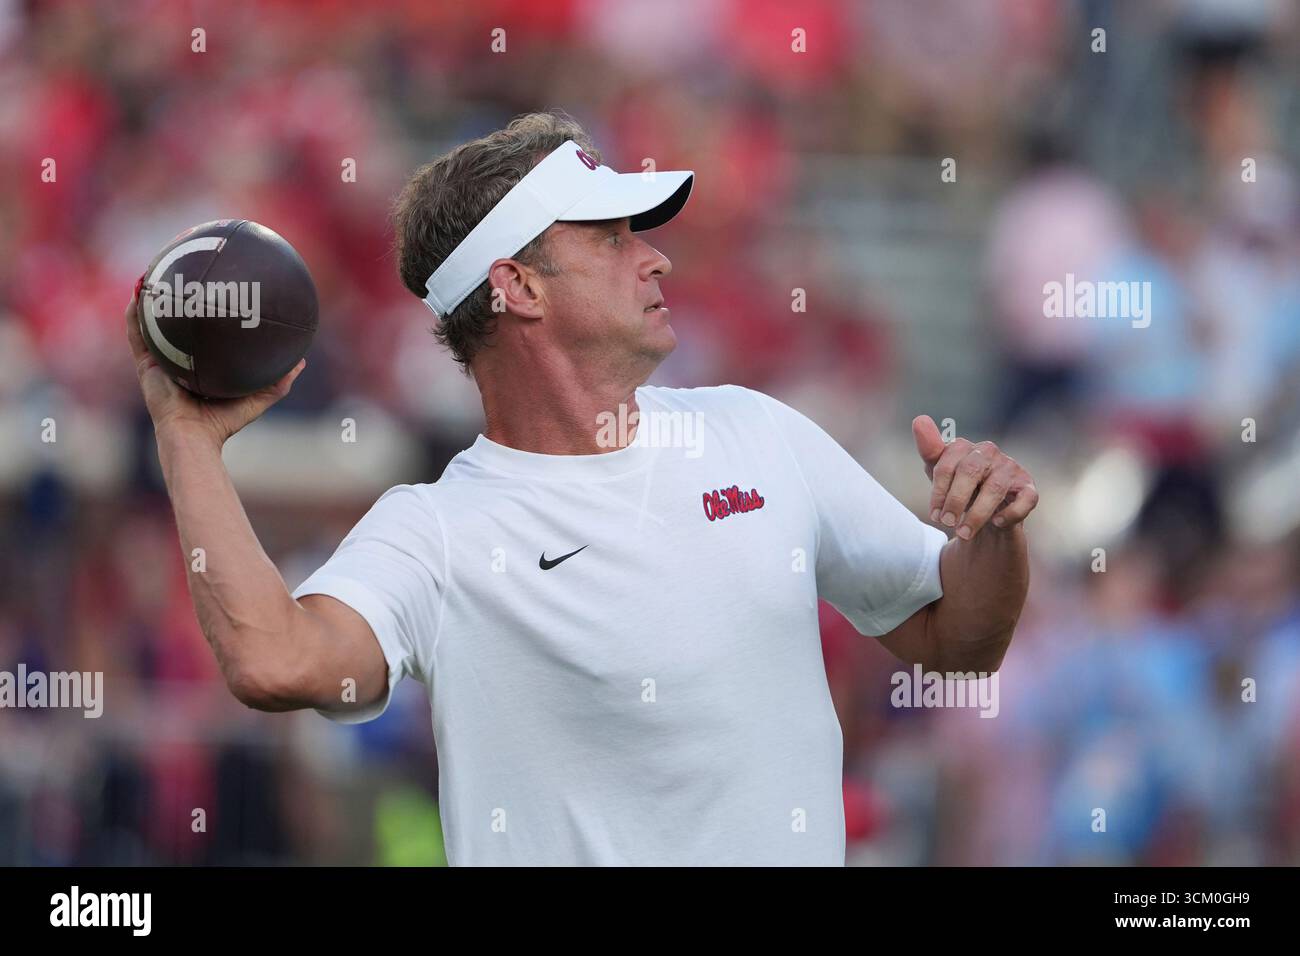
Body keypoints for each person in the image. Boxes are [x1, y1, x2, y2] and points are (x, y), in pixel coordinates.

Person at [126, 110, 1038, 866]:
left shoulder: (759, 432)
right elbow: (276, 663)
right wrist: (187, 437)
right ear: (516, 286)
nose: (655, 259)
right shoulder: (436, 531)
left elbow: (957, 639)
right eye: (609, 238)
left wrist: (992, 534)